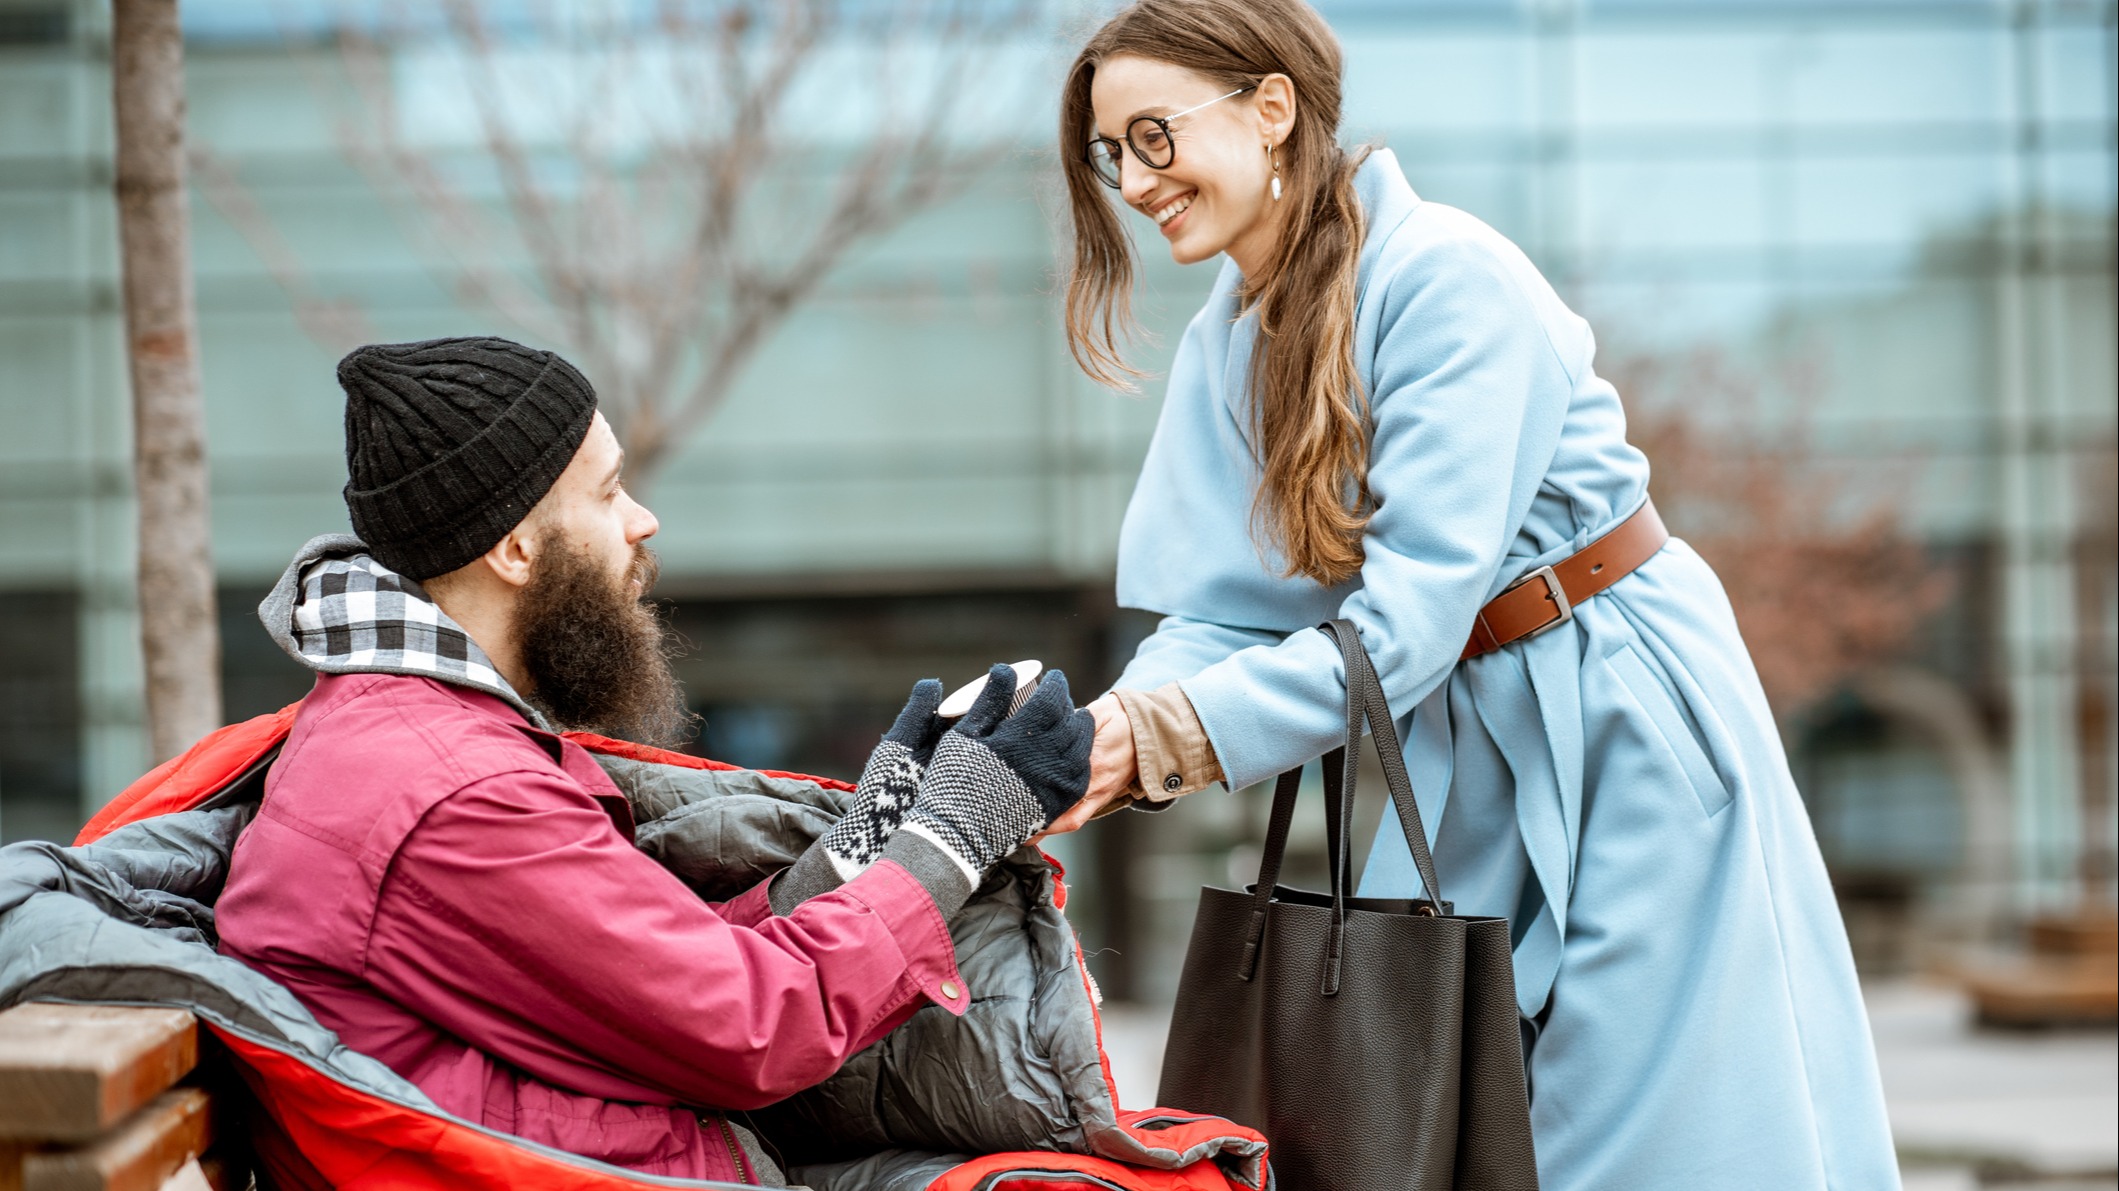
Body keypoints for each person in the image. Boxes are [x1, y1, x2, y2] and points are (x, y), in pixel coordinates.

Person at [1037, 3, 1901, 1188]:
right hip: (1451, 735)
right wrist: (1091, 736)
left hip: (1613, 713)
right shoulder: (1232, 341)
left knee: (1651, 1131)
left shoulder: (1446, 277)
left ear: (1270, 108)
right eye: (1109, 154)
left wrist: (1153, 742)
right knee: (1469, 1129)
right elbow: (1225, 615)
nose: (1134, 182)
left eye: (1152, 135)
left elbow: (1405, 625)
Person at [214, 337, 1095, 1184]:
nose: (643, 520)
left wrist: (873, 835)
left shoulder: (420, 738)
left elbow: (674, 971)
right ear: (515, 549)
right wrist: (953, 832)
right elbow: (754, 1023)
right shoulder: (449, 792)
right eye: (607, 493)